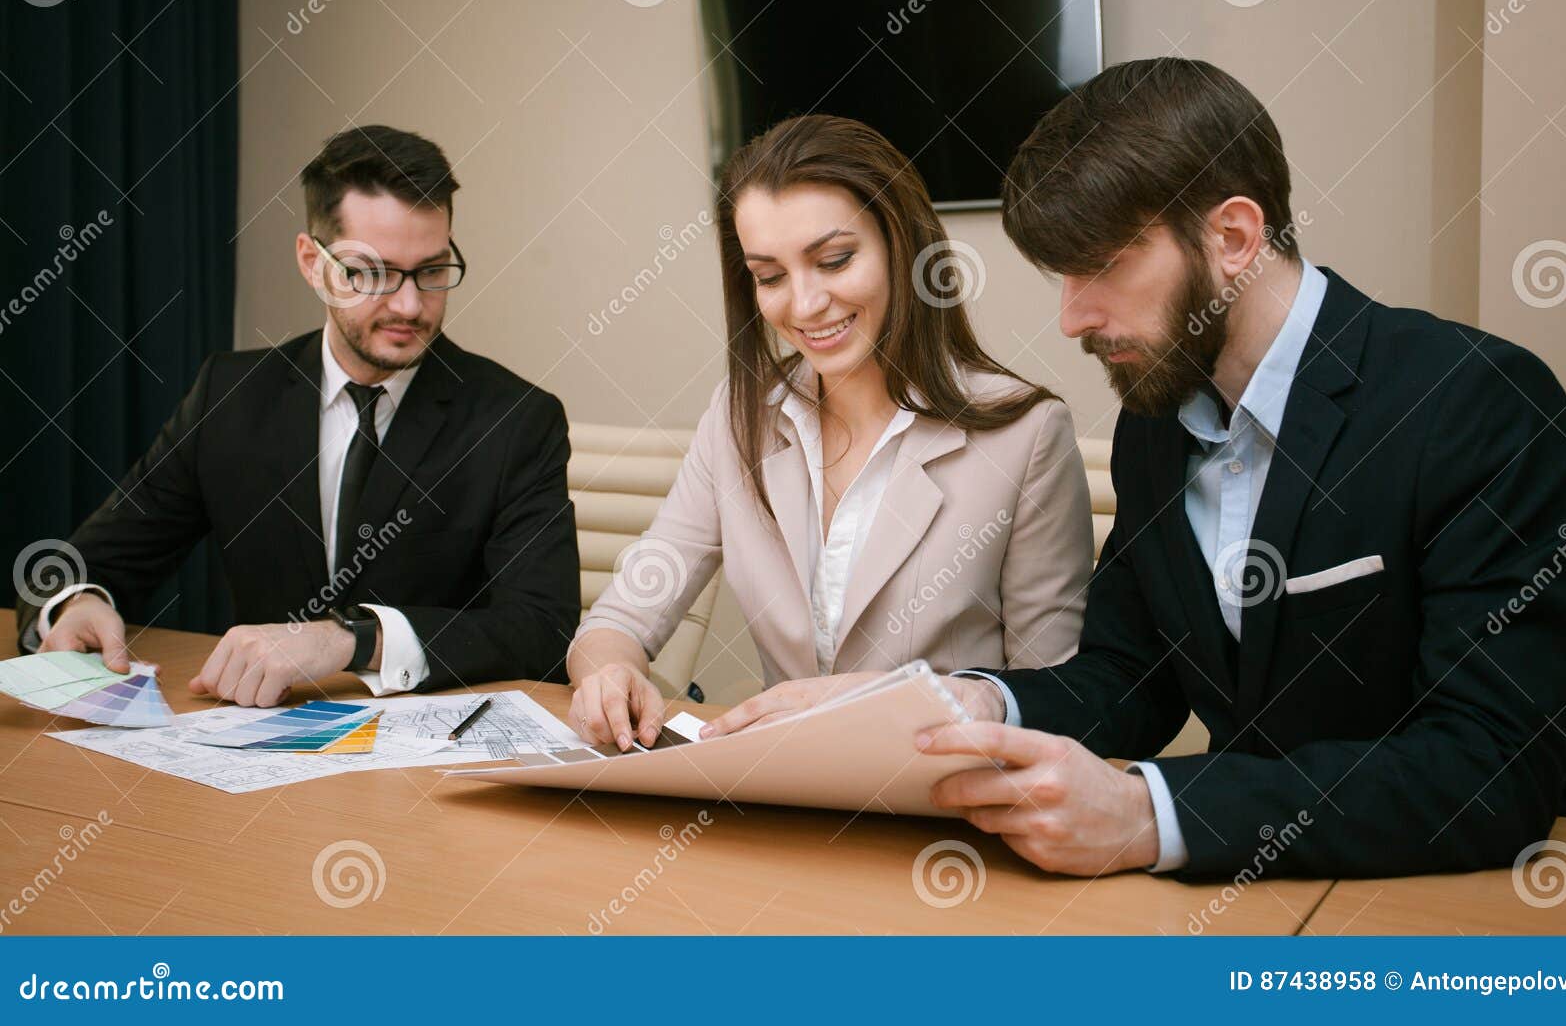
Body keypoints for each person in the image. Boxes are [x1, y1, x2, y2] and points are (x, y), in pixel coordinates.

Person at [908, 56, 1566, 878]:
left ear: (1233, 237)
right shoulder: (1153, 429)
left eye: (1102, 265)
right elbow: (1131, 675)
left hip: (1473, 896)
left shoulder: (1476, 402)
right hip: (1252, 896)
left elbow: (1488, 770)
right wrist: (968, 702)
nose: (1072, 316)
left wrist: (1147, 815)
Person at [566, 114, 1095, 750]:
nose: (805, 303)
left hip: (942, 810)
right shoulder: (740, 417)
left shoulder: (1026, 432)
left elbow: (1057, 696)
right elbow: (623, 614)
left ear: (903, 246)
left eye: (835, 260)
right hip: (781, 801)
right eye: (769, 276)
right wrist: (610, 669)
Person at [15, 126, 580, 704]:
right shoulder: (230, 394)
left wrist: (355, 640)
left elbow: (543, 630)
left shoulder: (515, 420)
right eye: (373, 273)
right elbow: (76, 563)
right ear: (313, 262)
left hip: (436, 767)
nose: (410, 305)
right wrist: (76, 602)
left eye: (432, 271)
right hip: (252, 746)